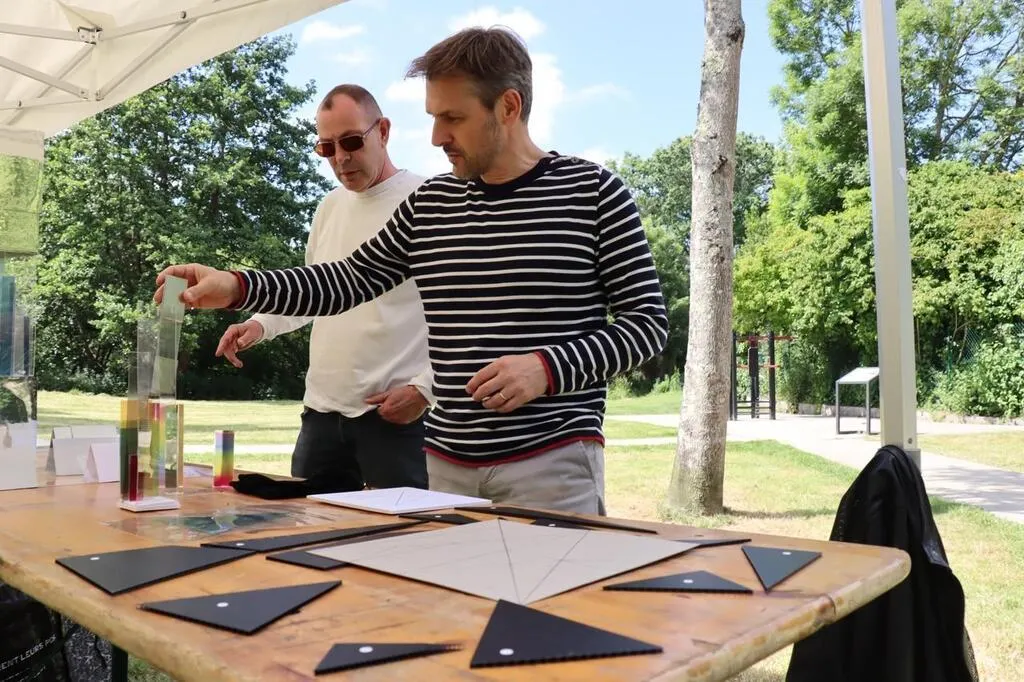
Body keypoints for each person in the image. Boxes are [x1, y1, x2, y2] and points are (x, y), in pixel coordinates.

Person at [157, 27, 669, 515]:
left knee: (549, 608)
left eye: (453, 118)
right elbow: (344, 281)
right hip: (444, 470)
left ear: (508, 106)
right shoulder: (431, 204)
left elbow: (647, 324)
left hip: (551, 467)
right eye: (432, 116)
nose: (436, 136)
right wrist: (238, 285)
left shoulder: (594, 192)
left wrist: (546, 368)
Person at [215, 83, 433, 491]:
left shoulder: (427, 201)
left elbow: (465, 317)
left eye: (351, 141)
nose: (341, 158)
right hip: (321, 416)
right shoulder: (329, 207)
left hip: (394, 419)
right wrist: (259, 325)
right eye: (327, 148)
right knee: (304, 541)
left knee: (403, 545)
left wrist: (424, 390)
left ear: (383, 131)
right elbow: (317, 291)